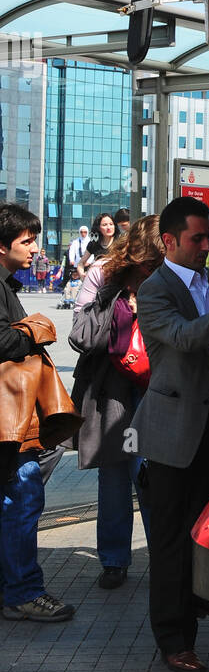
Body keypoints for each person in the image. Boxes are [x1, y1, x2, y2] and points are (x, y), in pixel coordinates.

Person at [135, 197, 209, 672]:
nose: (207, 246)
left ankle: (207, 600)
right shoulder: (154, 290)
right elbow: (183, 337)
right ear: (169, 241)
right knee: (169, 542)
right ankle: (174, 639)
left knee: (208, 531)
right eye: (197, 239)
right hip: (171, 434)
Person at [70, 216, 162, 589]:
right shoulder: (105, 276)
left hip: (156, 386)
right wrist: (120, 300)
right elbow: (80, 332)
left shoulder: (175, 277)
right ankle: (113, 560)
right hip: (112, 386)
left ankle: (166, 556)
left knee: (153, 476)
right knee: (113, 473)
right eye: (151, 261)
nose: (155, 267)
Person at [0, 203, 74, 622]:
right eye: (26, 241)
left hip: (12, 418)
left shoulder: (7, 284)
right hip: (9, 423)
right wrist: (32, 331)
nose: (34, 248)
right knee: (23, 501)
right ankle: (24, 592)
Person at [78, 213, 116, 278]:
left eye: (111, 224)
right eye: (104, 225)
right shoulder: (94, 243)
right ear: (98, 228)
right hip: (99, 280)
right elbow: (81, 263)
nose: (109, 227)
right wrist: (82, 274)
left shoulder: (121, 241)